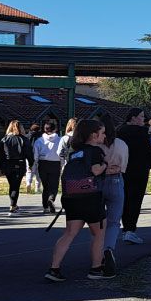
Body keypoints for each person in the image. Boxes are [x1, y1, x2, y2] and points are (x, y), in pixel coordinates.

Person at [46, 119, 113, 281]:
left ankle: (54, 268)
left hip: (71, 196)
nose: (105, 136)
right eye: (102, 133)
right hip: (91, 197)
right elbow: (96, 170)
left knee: (69, 233)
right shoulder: (95, 151)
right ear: (93, 135)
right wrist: (106, 165)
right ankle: (96, 269)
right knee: (98, 234)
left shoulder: (74, 152)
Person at [117, 108, 151, 245]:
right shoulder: (141, 133)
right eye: (141, 116)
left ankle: (124, 227)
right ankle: (130, 229)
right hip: (139, 169)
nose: (143, 119)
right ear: (133, 118)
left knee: (124, 198)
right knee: (135, 199)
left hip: (122, 169)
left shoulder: (120, 131)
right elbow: (147, 151)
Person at [96, 112, 128, 274]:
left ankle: (97, 251)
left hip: (98, 181)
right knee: (114, 221)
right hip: (116, 179)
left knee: (98, 221)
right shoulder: (121, 144)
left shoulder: (95, 145)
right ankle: (108, 248)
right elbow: (124, 166)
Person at [0, 120, 32, 214]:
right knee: (16, 185)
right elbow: (29, 153)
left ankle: (13, 204)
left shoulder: (4, 139)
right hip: (20, 163)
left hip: (8, 163)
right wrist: (31, 164)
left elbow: (0, 154)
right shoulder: (24, 139)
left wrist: (0, 166)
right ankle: (13, 205)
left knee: (12, 185)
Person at [32, 121, 63, 213]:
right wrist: (62, 164)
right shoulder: (59, 140)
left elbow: (35, 155)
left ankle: (45, 206)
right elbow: (61, 153)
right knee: (54, 184)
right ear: (55, 129)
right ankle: (51, 198)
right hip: (55, 163)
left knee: (45, 185)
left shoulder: (40, 140)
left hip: (43, 163)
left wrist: (34, 165)